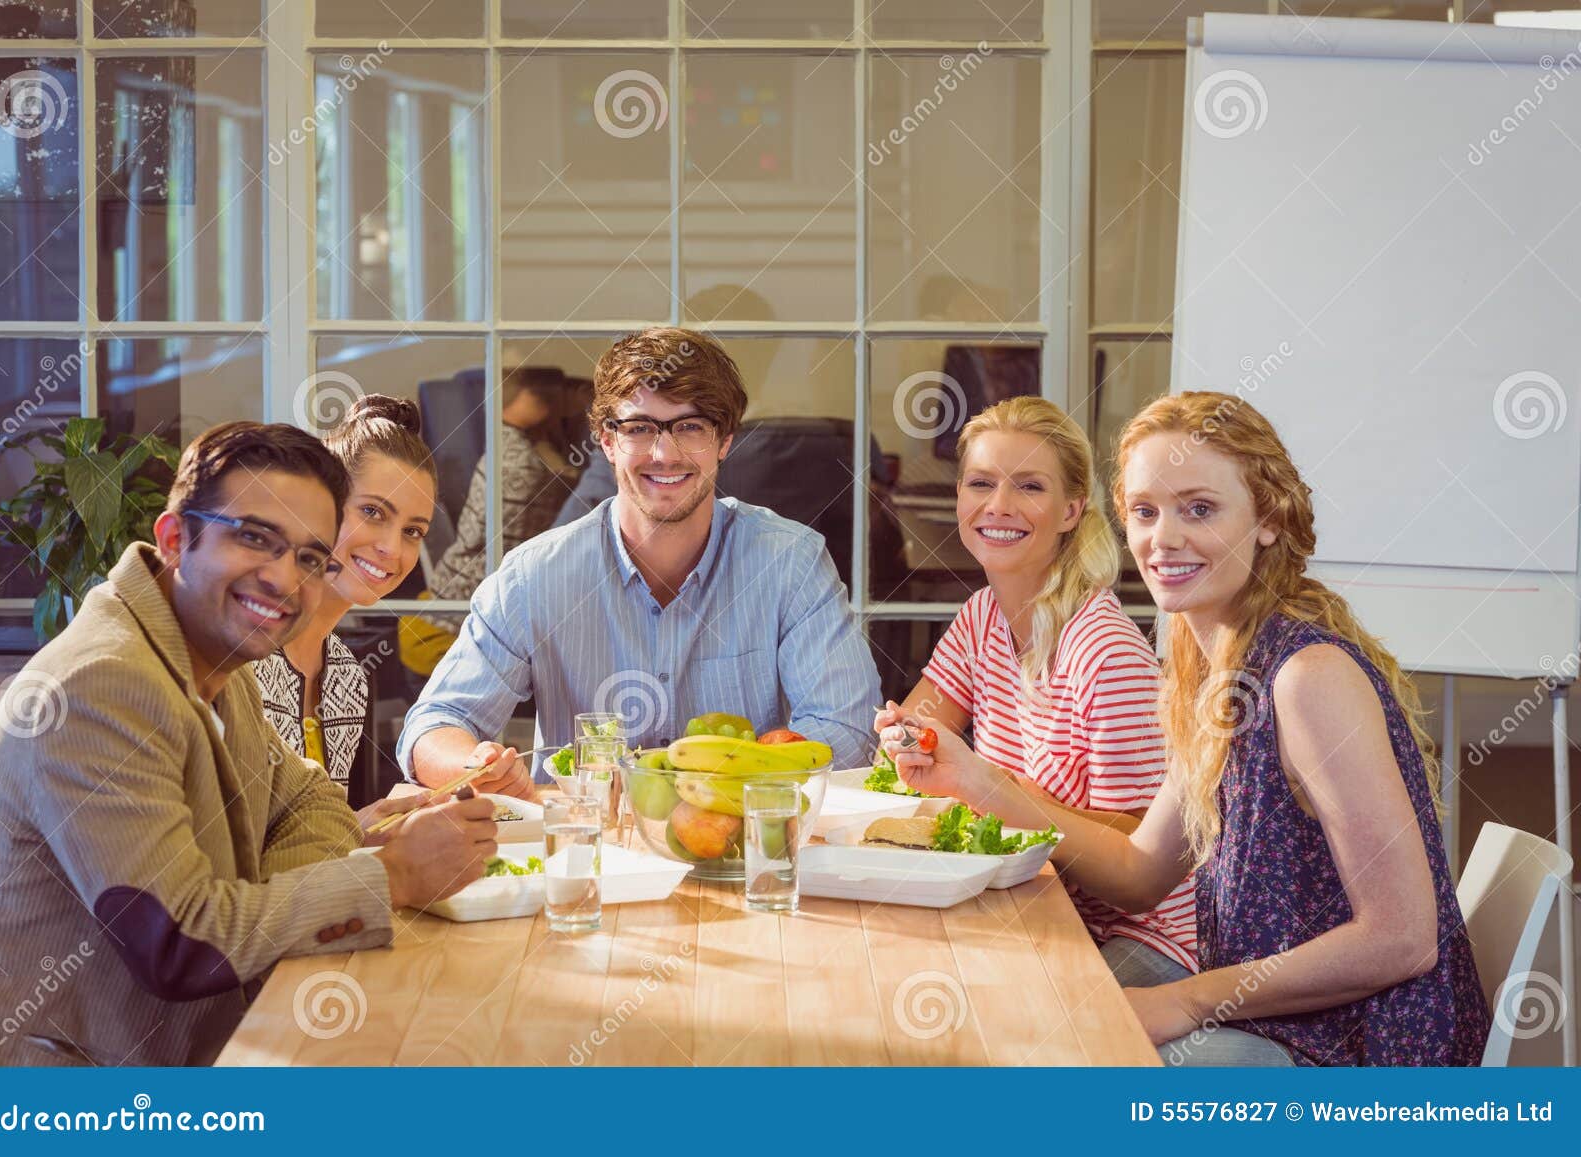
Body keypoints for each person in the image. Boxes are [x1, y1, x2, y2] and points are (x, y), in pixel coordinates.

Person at [885, 392, 1489, 1066]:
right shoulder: (1212, 668)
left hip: (1358, 1046)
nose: (1163, 538)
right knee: (1007, 1040)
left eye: (1198, 508)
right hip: (1273, 1020)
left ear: (1267, 518)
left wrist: (1188, 999)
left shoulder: (1306, 676)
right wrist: (980, 781)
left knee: (1052, 1063)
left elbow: (1404, 938)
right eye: (1145, 511)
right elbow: (1142, 871)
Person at [0, 422, 494, 1067]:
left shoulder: (216, 661)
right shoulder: (97, 685)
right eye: (255, 537)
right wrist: (391, 874)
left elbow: (310, 796)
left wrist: (249, 895)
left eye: (310, 557)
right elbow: (183, 943)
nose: (284, 580)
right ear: (174, 538)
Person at [399, 327, 881, 795]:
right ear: (607, 441)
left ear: (725, 440)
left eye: (690, 426)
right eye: (640, 428)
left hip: (739, 848)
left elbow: (847, 730)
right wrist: (475, 766)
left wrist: (726, 786)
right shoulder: (535, 575)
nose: (664, 453)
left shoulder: (790, 563)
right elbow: (436, 722)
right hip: (588, 858)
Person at [876, 397, 1196, 977]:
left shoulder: (1105, 650)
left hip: (1139, 937)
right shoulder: (981, 618)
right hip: (1036, 903)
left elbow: (1141, 854)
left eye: (1029, 487)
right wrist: (903, 740)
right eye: (980, 483)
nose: (999, 506)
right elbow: (915, 735)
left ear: (1072, 510)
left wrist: (998, 790)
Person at [256, 396, 436, 790]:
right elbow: (236, 837)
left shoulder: (347, 678)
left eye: (413, 531)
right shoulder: (245, 656)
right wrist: (363, 832)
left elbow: (319, 834)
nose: (392, 547)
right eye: (372, 512)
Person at [427, 367, 580, 605]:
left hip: (452, 590)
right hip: (468, 607)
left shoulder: (504, 441)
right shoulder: (520, 464)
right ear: (532, 402)